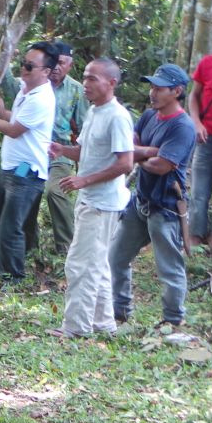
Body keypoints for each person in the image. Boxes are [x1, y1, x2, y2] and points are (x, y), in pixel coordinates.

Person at [44, 58, 134, 338]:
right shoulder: (95, 111)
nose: (85, 84)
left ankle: (76, 327)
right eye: (84, 77)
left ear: (111, 83)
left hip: (103, 203)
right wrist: (63, 150)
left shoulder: (118, 116)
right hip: (89, 199)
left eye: (93, 79)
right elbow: (85, 152)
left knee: (80, 263)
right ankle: (103, 323)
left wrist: (85, 179)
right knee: (97, 263)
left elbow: (125, 163)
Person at [110, 64, 196, 328]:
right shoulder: (149, 116)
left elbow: (162, 166)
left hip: (167, 206)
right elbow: (130, 147)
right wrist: (151, 151)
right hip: (141, 201)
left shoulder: (183, 127)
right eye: (152, 87)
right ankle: (119, 311)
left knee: (169, 268)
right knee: (116, 257)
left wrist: (141, 154)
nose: (153, 93)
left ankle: (173, 320)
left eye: (159, 88)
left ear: (177, 91)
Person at [0, 41, 57, 282]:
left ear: (46, 71)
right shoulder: (27, 89)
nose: (24, 69)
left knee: (10, 226)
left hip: (26, 172)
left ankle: (14, 276)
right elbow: (18, 120)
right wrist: (1, 113)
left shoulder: (41, 98)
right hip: (9, 168)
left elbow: (15, 130)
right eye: (24, 63)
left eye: (30, 66)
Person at [22, 41, 89, 254]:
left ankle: (67, 246)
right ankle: (28, 245)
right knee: (20, 188)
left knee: (55, 191)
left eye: (63, 63)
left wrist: (82, 164)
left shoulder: (77, 90)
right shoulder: (32, 84)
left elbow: (83, 130)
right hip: (29, 154)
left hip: (59, 155)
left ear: (70, 65)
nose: (58, 67)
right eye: (54, 63)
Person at [187, 12, 212, 257]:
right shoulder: (208, 63)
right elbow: (194, 96)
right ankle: (194, 235)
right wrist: (196, 123)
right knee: (199, 191)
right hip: (206, 136)